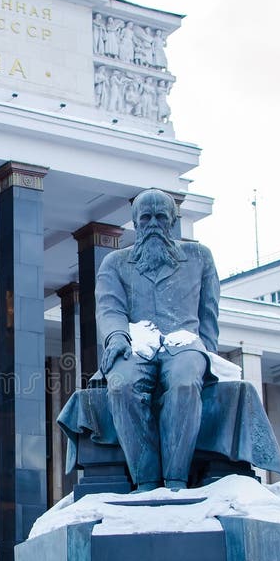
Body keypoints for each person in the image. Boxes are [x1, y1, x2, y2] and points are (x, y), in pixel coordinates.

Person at [96, 187, 220, 492]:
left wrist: (207, 355)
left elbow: (209, 315)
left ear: (173, 221)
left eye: (160, 217)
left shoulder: (199, 257)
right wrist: (116, 337)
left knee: (183, 382)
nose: (153, 224)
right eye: (146, 218)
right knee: (120, 384)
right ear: (136, 223)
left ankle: (176, 481)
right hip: (136, 343)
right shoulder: (114, 262)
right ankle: (147, 481)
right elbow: (110, 308)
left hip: (184, 343)